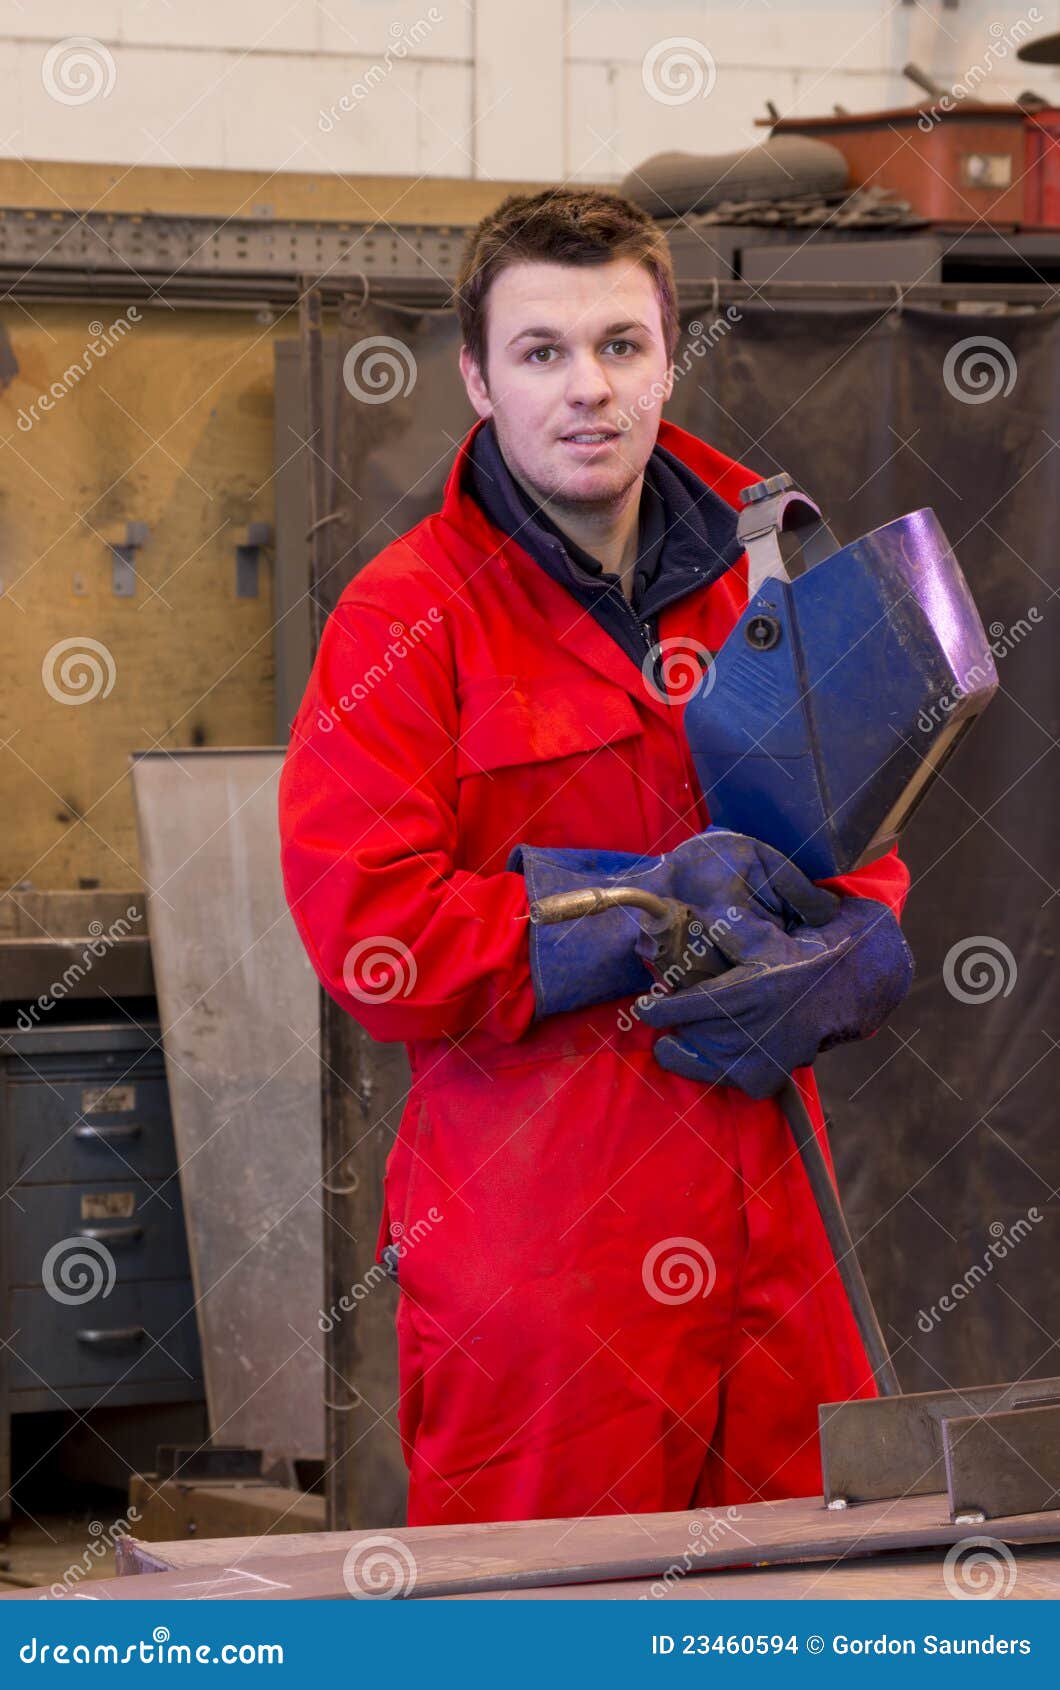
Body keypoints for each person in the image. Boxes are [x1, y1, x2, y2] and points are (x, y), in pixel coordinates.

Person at [277, 187, 913, 1528]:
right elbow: (371, 935)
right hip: (543, 1256)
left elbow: (859, 823)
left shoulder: (769, 567)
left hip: (774, 1235)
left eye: (622, 345)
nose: (589, 388)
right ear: (476, 376)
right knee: (546, 1627)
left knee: (809, 1613)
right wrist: (628, 911)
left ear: (670, 356)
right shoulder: (407, 619)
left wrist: (860, 943)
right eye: (542, 351)